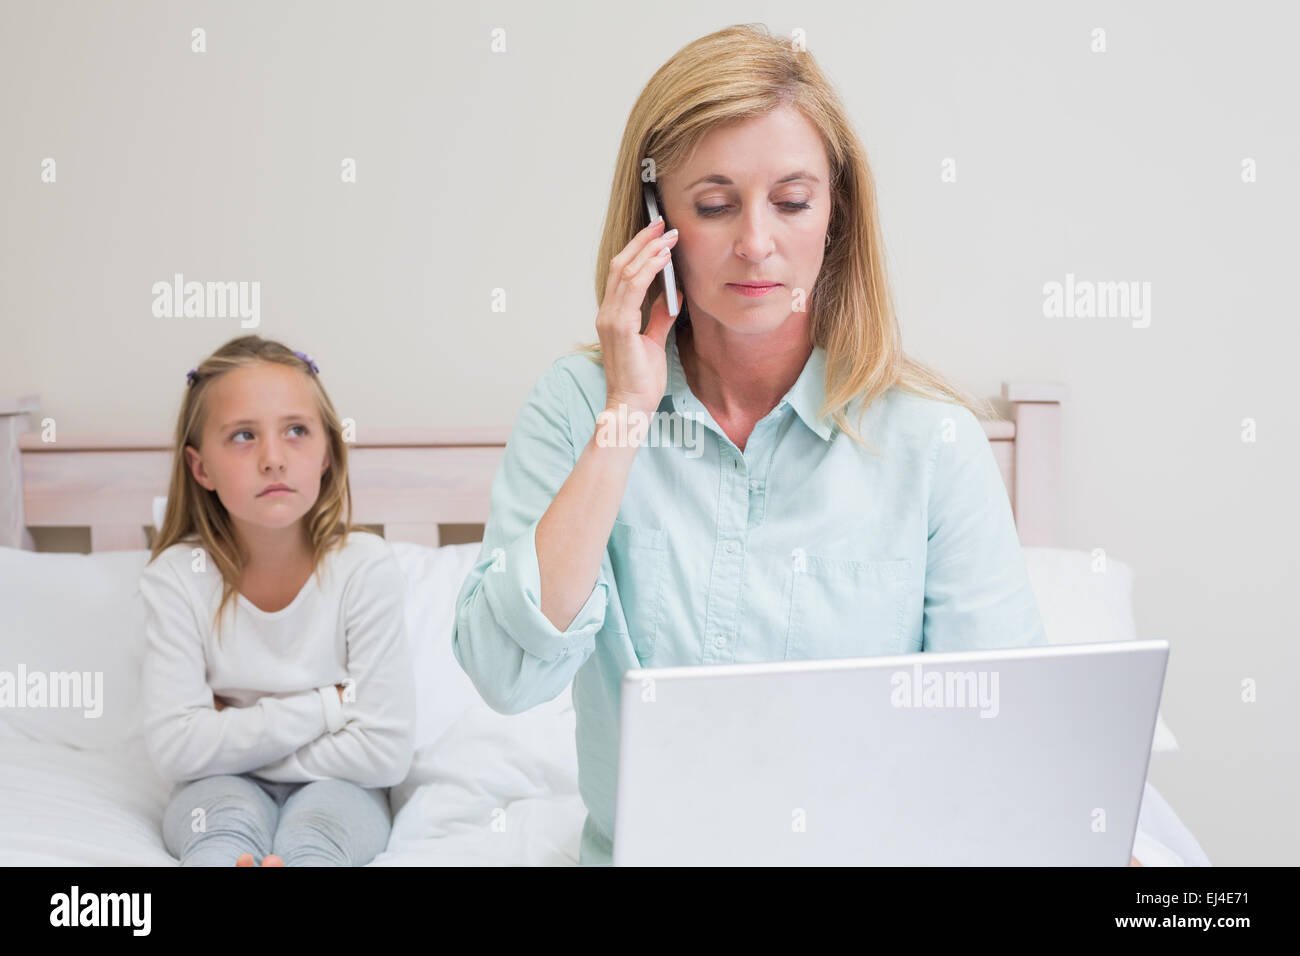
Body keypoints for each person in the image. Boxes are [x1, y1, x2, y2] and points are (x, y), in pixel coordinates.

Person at [453, 23, 1067, 866]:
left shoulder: (932, 442)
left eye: (791, 200)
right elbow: (504, 673)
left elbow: (999, 733)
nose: (755, 243)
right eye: (713, 204)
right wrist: (628, 411)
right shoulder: (575, 408)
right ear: (655, 221)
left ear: (835, 215)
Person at [140, 335, 415, 866]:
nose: (273, 459)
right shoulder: (176, 578)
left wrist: (228, 738)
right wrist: (330, 707)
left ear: (328, 452)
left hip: (343, 788)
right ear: (201, 469)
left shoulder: (364, 567)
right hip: (216, 790)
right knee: (220, 835)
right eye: (243, 435)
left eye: (296, 431)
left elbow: (384, 754)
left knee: (318, 840)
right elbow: (176, 750)